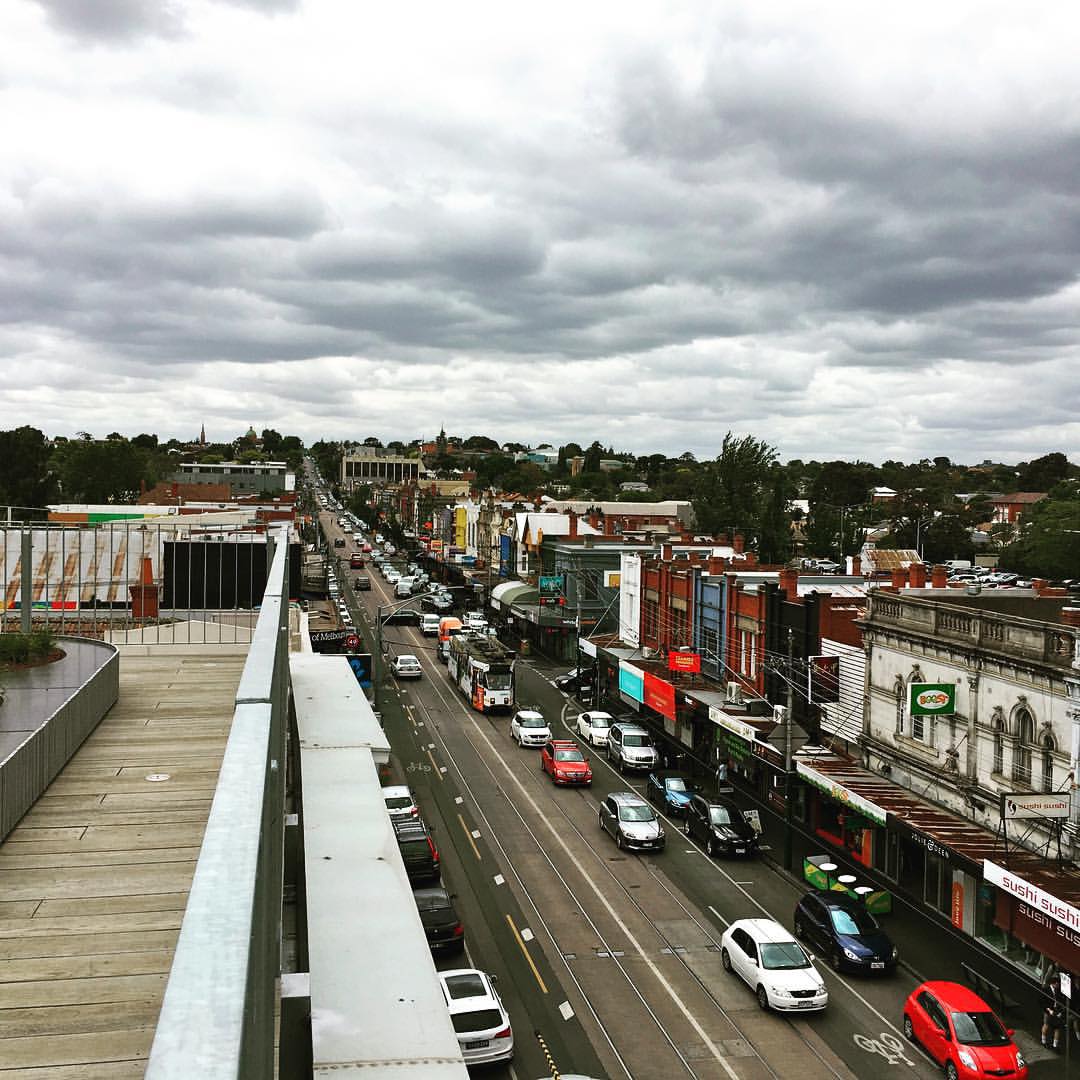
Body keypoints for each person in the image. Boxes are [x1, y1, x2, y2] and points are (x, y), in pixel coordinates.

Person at [1043, 976, 1066, 1050]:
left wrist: (1060, 1012)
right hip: (1049, 1010)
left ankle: (1055, 1045)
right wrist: (1049, 1010)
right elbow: (1042, 1002)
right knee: (1046, 1025)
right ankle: (1043, 1041)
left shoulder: (1058, 991)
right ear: (1053, 983)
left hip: (1056, 1010)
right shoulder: (1046, 990)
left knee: (1057, 1028)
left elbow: (1061, 1001)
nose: (1058, 985)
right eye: (1057, 984)